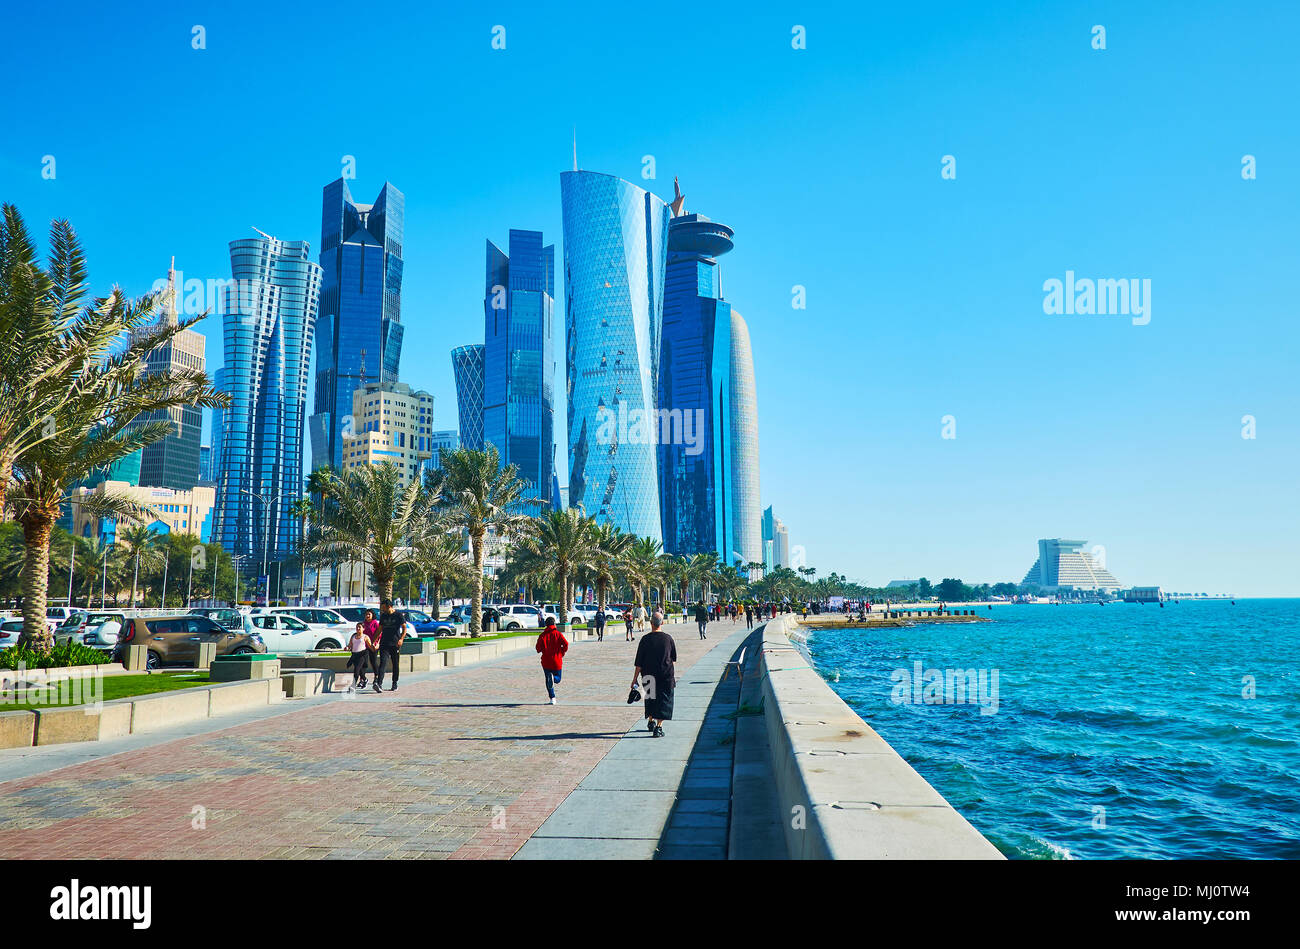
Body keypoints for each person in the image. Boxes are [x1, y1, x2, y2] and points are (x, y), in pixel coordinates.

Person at [632, 614, 676, 738]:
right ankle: (658, 727)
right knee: (664, 701)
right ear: (662, 623)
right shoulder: (668, 639)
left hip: (648, 674)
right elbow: (673, 659)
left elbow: (639, 663)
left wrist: (634, 679)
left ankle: (650, 721)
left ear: (651, 623)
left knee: (650, 699)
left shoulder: (645, 640)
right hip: (665, 675)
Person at [372, 599, 406, 693]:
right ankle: (379, 684)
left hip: (395, 643)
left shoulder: (398, 615)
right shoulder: (383, 616)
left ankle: (394, 683)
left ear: (389, 606)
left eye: (383, 608)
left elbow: (404, 627)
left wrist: (401, 639)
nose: (382, 610)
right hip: (384, 643)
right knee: (383, 662)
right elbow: (379, 629)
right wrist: (373, 641)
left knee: (395, 664)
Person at [535, 618, 569, 704]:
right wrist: (562, 652)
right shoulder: (558, 634)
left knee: (548, 679)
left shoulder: (542, 635)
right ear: (554, 624)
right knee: (558, 679)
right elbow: (566, 644)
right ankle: (554, 678)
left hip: (546, 661)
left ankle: (552, 698)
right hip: (556, 660)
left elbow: (538, 649)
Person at [347, 622, 369, 693]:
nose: (358, 628)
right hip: (354, 655)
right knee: (360, 672)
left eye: (360, 627)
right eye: (357, 627)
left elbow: (370, 645)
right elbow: (350, 645)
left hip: (362, 655)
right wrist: (347, 647)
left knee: (356, 670)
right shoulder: (353, 636)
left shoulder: (365, 637)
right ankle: (365, 679)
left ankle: (353, 686)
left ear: (363, 629)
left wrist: (375, 647)